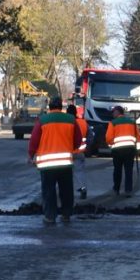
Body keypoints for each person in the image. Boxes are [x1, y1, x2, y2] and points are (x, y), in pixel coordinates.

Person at [28, 96, 84, 224]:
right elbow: (78, 139)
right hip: (65, 163)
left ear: (49, 107)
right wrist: (70, 148)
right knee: (66, 190)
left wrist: (31, 156)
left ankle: (50, 216)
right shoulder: (71, 120)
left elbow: (34, 141)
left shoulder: (42, 120)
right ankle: (66, 214)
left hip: (47, 165)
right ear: (61, 107)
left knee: (49, 191)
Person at [105, 105, 140, 196]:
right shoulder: (132, 122)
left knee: (117, 170)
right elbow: (139, 137)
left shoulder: (113, 123)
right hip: (130, 150)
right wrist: (137, 148)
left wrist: (111, 144)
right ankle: (128, 190)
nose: (113, 114)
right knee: (128, 170)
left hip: (117, 150)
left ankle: (116, 189)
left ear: (117, 112)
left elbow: (108, 138)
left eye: (113, 112)